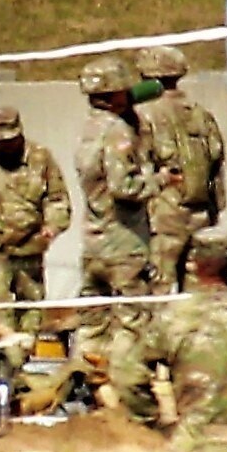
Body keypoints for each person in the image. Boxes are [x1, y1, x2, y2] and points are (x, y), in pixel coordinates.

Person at [73, 53, 159, 414]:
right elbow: (124, 187)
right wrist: (158, 181)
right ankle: (136, 408)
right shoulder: (117, 132)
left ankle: (89, 398)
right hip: (124, 244)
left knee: (92, 325)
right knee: (131, 326)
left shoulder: (89, 129)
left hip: (94, 242)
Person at [147, 230, 227, 452]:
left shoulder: (171, 317)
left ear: (195, 264)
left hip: (190, 449)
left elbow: (128, 371)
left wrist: (152, 419)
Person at [135, 45, 226, 293]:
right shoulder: (199, 113)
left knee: (158, 291)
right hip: (201, 214)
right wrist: (215, 209)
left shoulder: (143, 115)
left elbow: (137, 169)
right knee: (200, 289)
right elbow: (217, 160)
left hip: (161, 219)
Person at [0, 105, 71, 310]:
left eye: (12, 139)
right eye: (2, 141)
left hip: (30, 247)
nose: (8, 145)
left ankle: (30, 341)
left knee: (32, 310)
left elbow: (57, 198)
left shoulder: (40, 158)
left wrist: (52, 226)